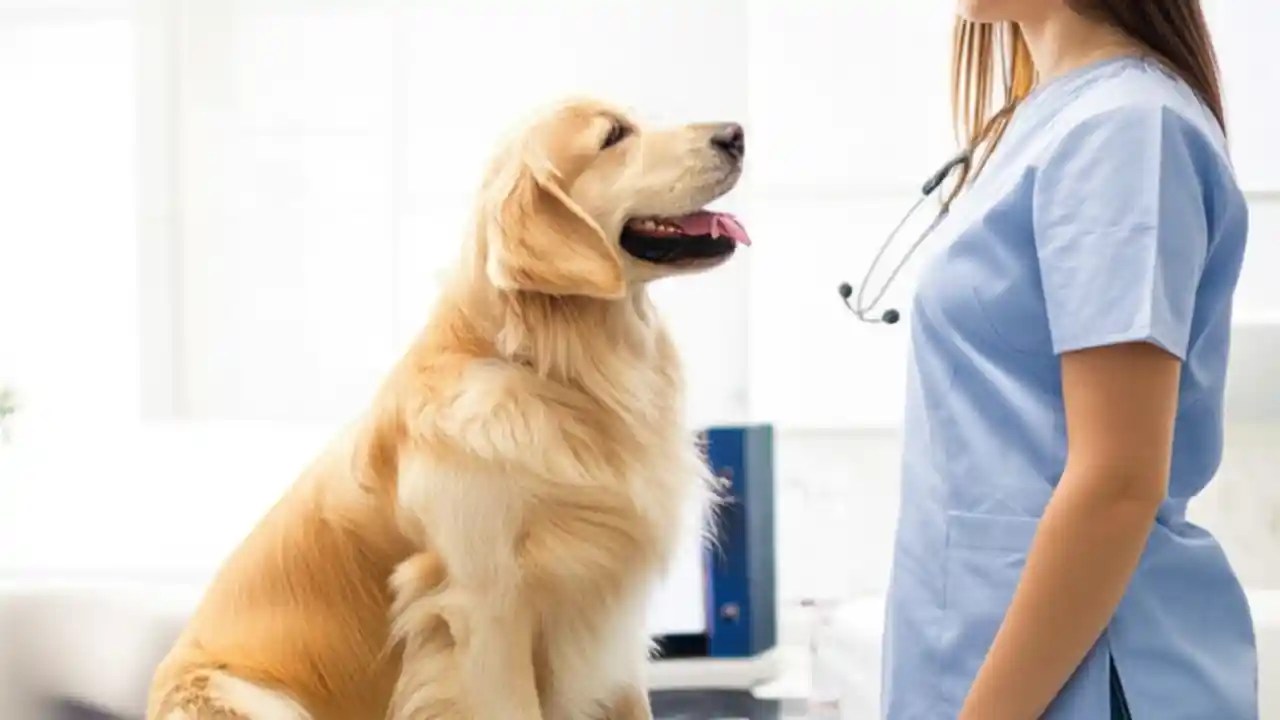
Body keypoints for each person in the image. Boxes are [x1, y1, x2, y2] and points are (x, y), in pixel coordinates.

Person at [880, 1, 1255, 718]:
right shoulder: (1046, 121)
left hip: (1088, 681)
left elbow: (1117, 483)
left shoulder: (1126, 128)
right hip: (988, 666)